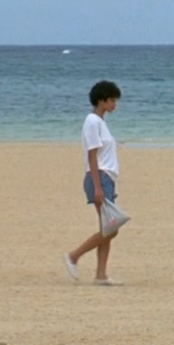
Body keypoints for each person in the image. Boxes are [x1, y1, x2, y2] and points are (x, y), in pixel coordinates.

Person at [63, 80, 125, 286]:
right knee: (111, 228)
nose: (115, 104)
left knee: (107, 228)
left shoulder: (101, 122)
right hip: (99, 177)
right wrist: (98, 187)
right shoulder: (92, 121)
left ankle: (101, 275)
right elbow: (92, 155)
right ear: (102, 100)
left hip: (107, 179)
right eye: (112, 100)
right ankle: (73, 256)